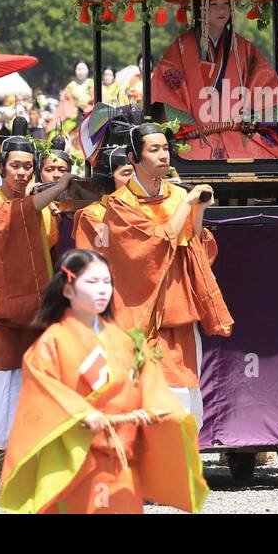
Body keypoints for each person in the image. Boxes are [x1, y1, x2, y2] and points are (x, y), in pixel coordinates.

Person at [0, 249, 209, 513]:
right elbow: (43, 389)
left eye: (107, 282)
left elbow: (150, 384)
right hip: (73, 455)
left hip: (120, 455)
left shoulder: (124, 341)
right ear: (67, 289)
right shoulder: (52, 343)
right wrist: (81, 412)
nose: (102, 290)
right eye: (92, 282)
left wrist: (160, 410)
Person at [100, 121, 232, 424]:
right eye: (154, 150)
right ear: (133, 158)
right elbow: (153, 245)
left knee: (183, 397)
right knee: (141, 397)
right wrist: (187, 201)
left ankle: (177, 464)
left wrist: (197, 211)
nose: (163, 156)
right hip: (139, 313)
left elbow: (194, 247)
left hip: (178, 309)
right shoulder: (121, 204)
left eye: (165, 148)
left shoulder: (175, 196)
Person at [0, 117, 73, 470]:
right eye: (15, 165)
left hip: (37, 301)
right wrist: (49, 196)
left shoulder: (37, 204)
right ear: (0, 167)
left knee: (34, 374)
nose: (23, 172)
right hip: (3, 306)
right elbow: (10, 221)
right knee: (2, 378)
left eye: (28, 166)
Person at [151, 0, 278, 159]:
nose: (221, 10)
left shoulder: (242, 46)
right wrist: (189, 127)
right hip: (196, 133)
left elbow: (264, 79)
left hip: (236, 129)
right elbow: (168, 86)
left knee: (268, 157)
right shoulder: (182, 46)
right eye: (213, 4)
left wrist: (248, 119)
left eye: (226, 4)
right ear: (201, 9)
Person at [71, 146, 133, 250]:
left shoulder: (146, 204)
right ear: (108, 178)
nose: (133, 179)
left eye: (137, 173)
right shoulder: (93, 215)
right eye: (126, 173)